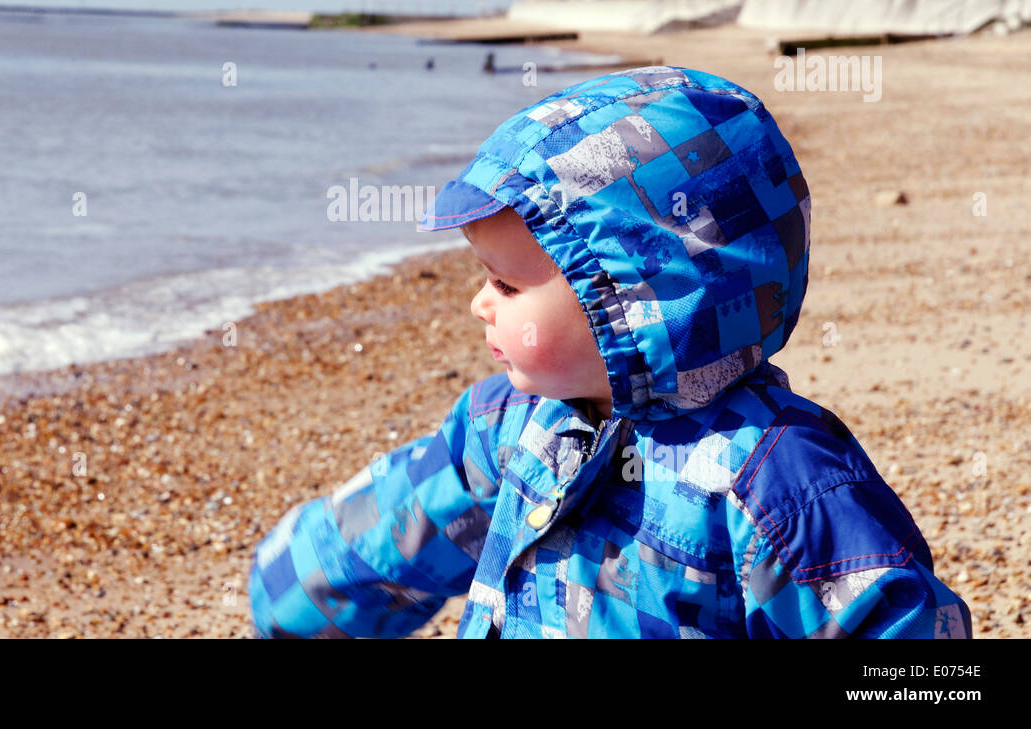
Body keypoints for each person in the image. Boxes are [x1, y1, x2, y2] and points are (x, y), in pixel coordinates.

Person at [247, 66, 972, 639]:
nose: (480, 302)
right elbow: (393, 532)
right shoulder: (512, 422)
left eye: (504, 282)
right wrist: (287, 597)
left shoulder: (771, 479)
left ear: (629, 297)